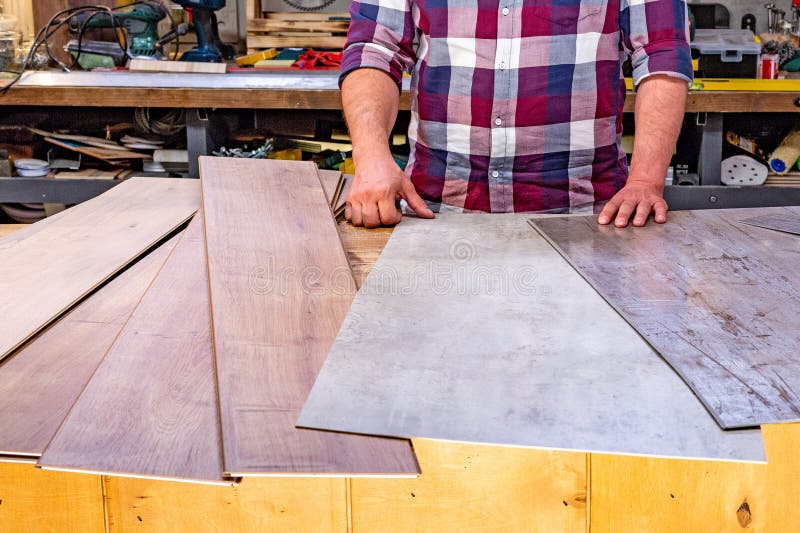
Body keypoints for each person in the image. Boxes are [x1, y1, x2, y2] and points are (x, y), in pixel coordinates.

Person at [340, 0, 693, 229]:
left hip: (589, 219)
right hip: (437, 211)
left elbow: (661, 50)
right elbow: (374, 46)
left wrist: (646, 182)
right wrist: (370, 158)